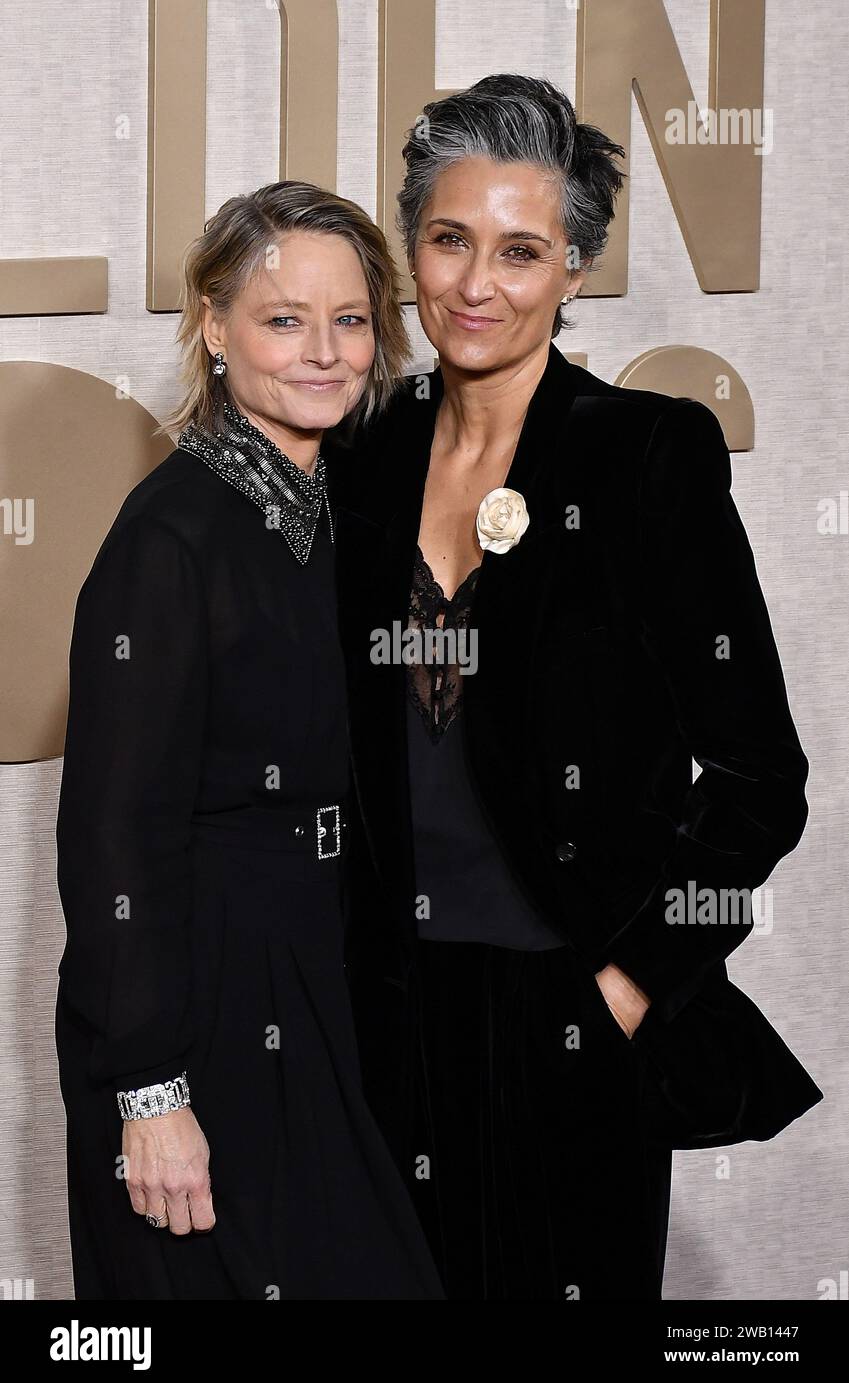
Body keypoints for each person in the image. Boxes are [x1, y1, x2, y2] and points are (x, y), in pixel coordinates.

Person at [325, 74, 822, 1301]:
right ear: (410, 246)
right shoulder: (363, 450)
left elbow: (765, 787)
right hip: (387, 1016)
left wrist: (631, 978)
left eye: (521, 250)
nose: (476, 285)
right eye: (448, 240)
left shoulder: (647, 455)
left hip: (572, 1012)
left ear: (577, 270)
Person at [54, 180, 444, 1300]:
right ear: (216, 328)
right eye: (283, 319)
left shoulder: (340, 520)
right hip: (204, 999)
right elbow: (114, 838)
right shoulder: (169, 537)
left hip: (321, 965)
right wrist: (148, 1090)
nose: (324, 351)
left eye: (352, 318)